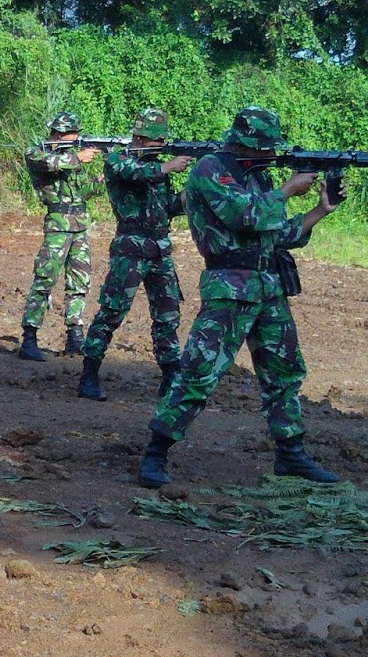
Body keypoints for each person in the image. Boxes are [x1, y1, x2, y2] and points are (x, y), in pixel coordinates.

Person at [139, 106, 341, 489]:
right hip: (229, 287)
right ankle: (157, 451)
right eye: (267, 149)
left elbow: (278, 233)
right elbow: (242, 216)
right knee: (199, 372)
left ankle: (291, 454)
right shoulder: (211, 169)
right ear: (249, 144)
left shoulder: (258, 175)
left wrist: (320, 210)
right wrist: (287, 190)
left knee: (283, 374)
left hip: (268, 285)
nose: (272, 156)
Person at [78, 108, 195, 401]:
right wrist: (167, 166)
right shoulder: (120, 159)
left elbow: (169, 207)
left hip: (160, 248)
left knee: (168, 316)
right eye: (158, 142)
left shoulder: (156, 166)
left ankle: (171, 376)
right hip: (130, 248)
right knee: (112, 311)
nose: (161, 148)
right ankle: (89, 374)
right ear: (142, 138)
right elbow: (128, 172)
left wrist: (193, 188)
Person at [19, 112, 101, 361]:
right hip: (58, 225)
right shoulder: (37, 152)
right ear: (58, 134)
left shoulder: (71, 159)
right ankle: (30, 337)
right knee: (45, 279)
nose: (76, 138)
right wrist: (77, 157)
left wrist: (100, 181)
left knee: (79, 281)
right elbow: (46, 163)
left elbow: (81, 193)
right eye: (72, 133)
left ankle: (75, 334)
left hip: (80, 224)